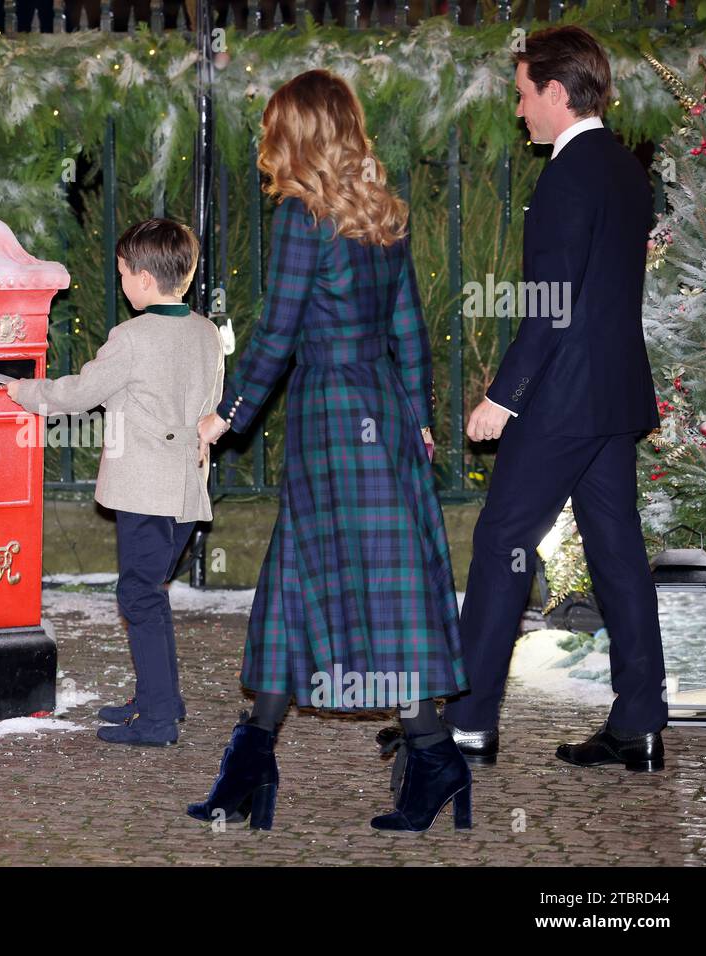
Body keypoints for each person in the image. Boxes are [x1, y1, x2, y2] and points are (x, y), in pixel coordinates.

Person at [188, 70, 471, 832]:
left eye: (274, 128)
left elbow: (276, 334)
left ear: (300, 135)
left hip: (331, 413)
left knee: (370, 589)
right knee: (304, 581)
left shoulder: (303, 218)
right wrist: (417, 418)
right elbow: (408, 327)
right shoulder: (383, 213)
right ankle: (252, 756)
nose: (264, 143)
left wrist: (228, 415)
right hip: (374, 404)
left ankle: (433, 752)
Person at [439, 25, 668, 771]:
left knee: (502, 541)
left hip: (564, 400)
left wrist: (505, 398)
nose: (518, 110)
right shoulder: (625, 167)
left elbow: (553, 302)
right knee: (618, 554)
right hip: (612, 395)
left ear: (557, 93)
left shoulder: (571, 172)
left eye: (523, 94)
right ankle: (640, 722)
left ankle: (469, 725)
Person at [7, 219, 225, 747]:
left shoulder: (130, 338)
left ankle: (157, 722)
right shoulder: (206, 332)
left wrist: (25, 392)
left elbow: (81, 392)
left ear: (144, 280)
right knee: (151, 593)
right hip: (186, 490)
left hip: (144, 489)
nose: (121, 281)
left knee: (139, 597)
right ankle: (161, 699)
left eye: (123, 272)